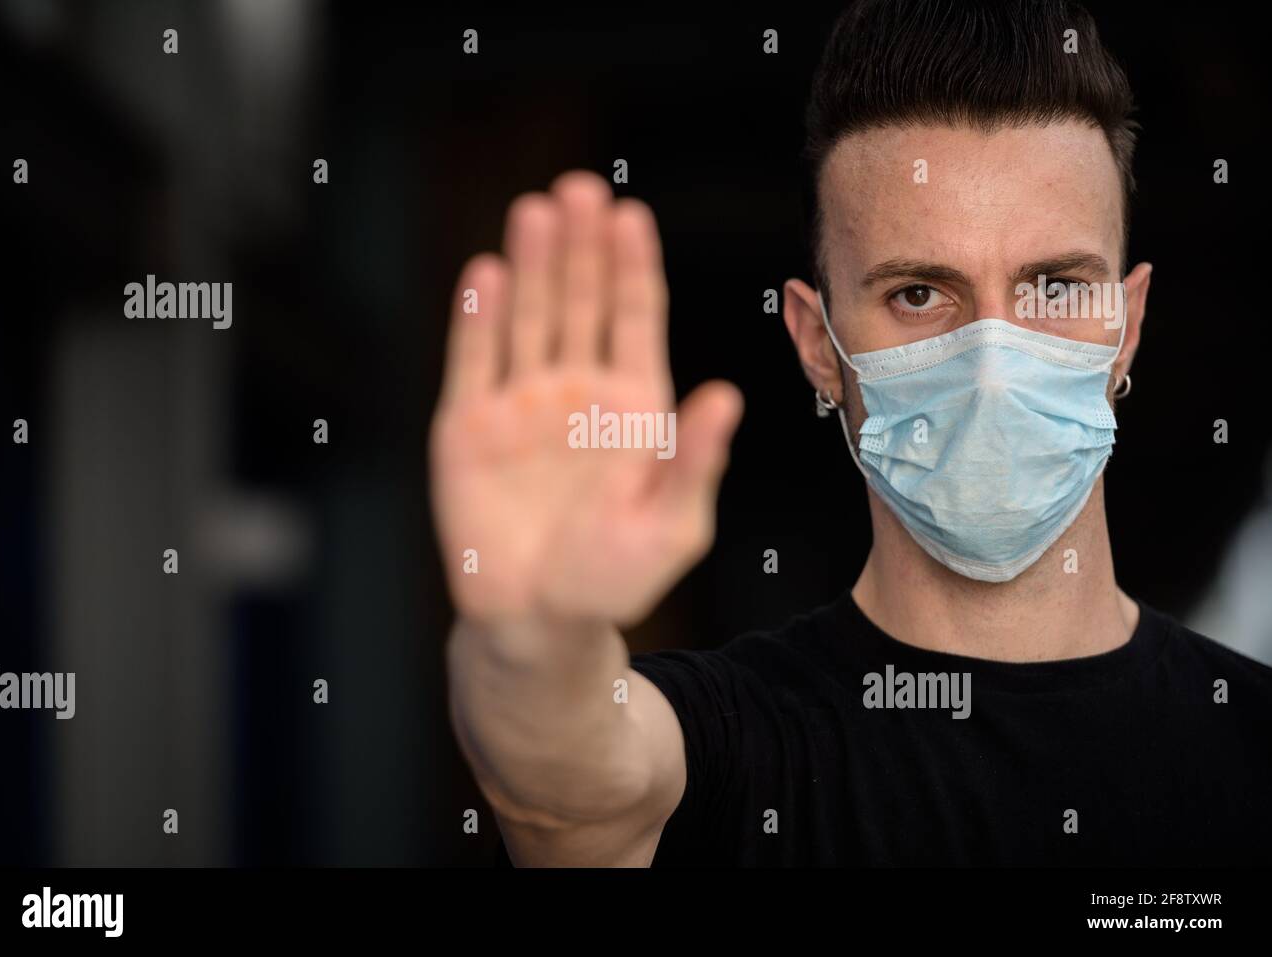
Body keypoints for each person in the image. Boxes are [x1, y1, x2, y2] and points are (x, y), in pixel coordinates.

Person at [429, 0, 1272, 866]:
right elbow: (566, 785)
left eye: (1054, 288)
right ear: (817, 346)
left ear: (1125, 326)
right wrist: (536, 631)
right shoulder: (727, 748)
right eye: (918, 294)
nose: (991, 363)